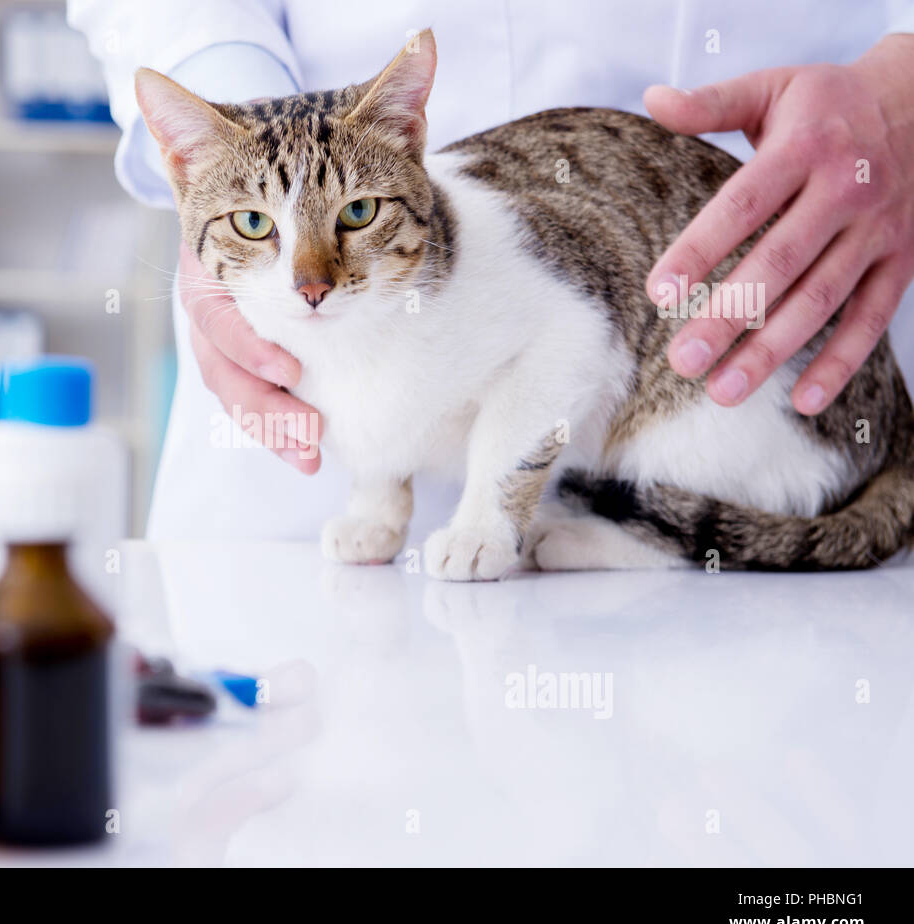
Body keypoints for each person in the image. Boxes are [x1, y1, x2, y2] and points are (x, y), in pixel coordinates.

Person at [70, 0, 914, 542]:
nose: (312, 274)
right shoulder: (276, 230)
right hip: (287, 513)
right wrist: (231, 146)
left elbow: (569, 336)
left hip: (805, 252)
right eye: (256, 227)